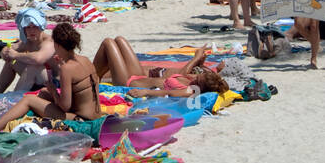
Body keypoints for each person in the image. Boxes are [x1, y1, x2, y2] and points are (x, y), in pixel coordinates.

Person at [0, 22, 101, 128]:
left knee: (29, 100)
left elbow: (65, 106)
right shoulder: (85, 60)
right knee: (43, 93)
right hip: (95, 116)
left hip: (82, 120)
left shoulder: (66, 68)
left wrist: (53, 91)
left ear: (57, 45)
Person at [91, 37, 228, 97]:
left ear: (200, 87)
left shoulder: (190, 92)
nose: (194, 76)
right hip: (139, 75)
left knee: (108, 43)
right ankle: (94, 77)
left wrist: (147, 92)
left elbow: (168, 93)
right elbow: (186, 71)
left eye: (198, 78)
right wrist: (200, 60)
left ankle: (90, 79)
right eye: (198, 74)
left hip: (128, 83)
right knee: (120, 40)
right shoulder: (192, 80)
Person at [0, 7, 56, 95]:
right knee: (11, 62)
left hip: (54, 82)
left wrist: (16, 55)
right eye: (28, 27)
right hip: (40, 78)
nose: (31, 30)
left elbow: (38, 59)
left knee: (33, 67)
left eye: (35, 27)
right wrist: (5, 52)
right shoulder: (28, 41)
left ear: (41, 26)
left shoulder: (49, 42)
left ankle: (13, 98)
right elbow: (9, 49)